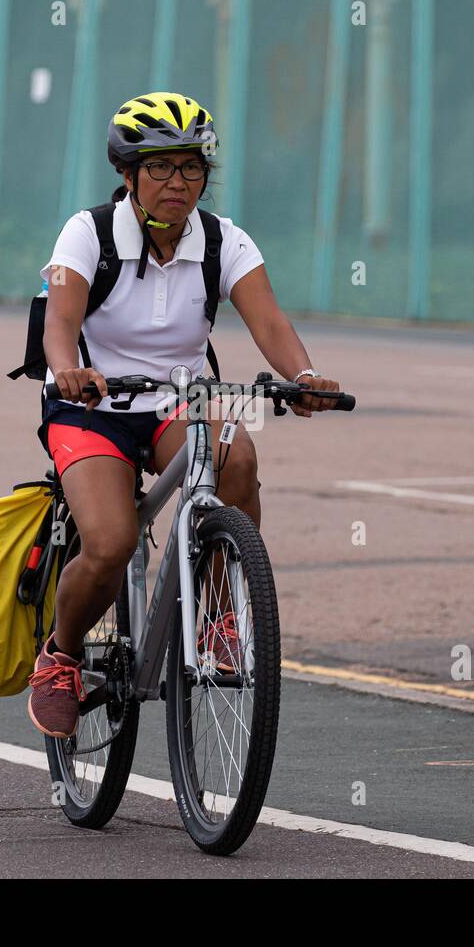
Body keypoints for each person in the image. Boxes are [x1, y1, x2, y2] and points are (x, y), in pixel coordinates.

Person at [27, 91, 342, 739]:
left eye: (192, 168)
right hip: (94, 403)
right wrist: (68, 368)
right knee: (111, 542)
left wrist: (302, 376)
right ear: (128, 174)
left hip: (182, 398)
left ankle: (219, 615)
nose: (179, 183)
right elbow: (60, 321)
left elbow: (270, 320)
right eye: (162, 168)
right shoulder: (86, 233)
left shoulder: (224, 239)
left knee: (239, 456)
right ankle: (60, 655)